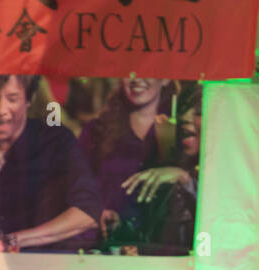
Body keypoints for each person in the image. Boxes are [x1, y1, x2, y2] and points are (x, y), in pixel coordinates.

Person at [0, 74, 101, 252]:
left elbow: (87, 213)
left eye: (12, 99)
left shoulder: (55, 141)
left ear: (28, 100)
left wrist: (11, 240)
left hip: (48, 263)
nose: (0, 109)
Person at [78, 77, 194, 250]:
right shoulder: (96, 131)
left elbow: (200, 190)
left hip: (163, 249)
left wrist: (182, 176)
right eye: (130, 71)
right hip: (108, 246)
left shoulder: (181, 132)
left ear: (165, 79)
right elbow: (77, 187)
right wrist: (97, 212)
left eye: (147, 71)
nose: (137, 78)